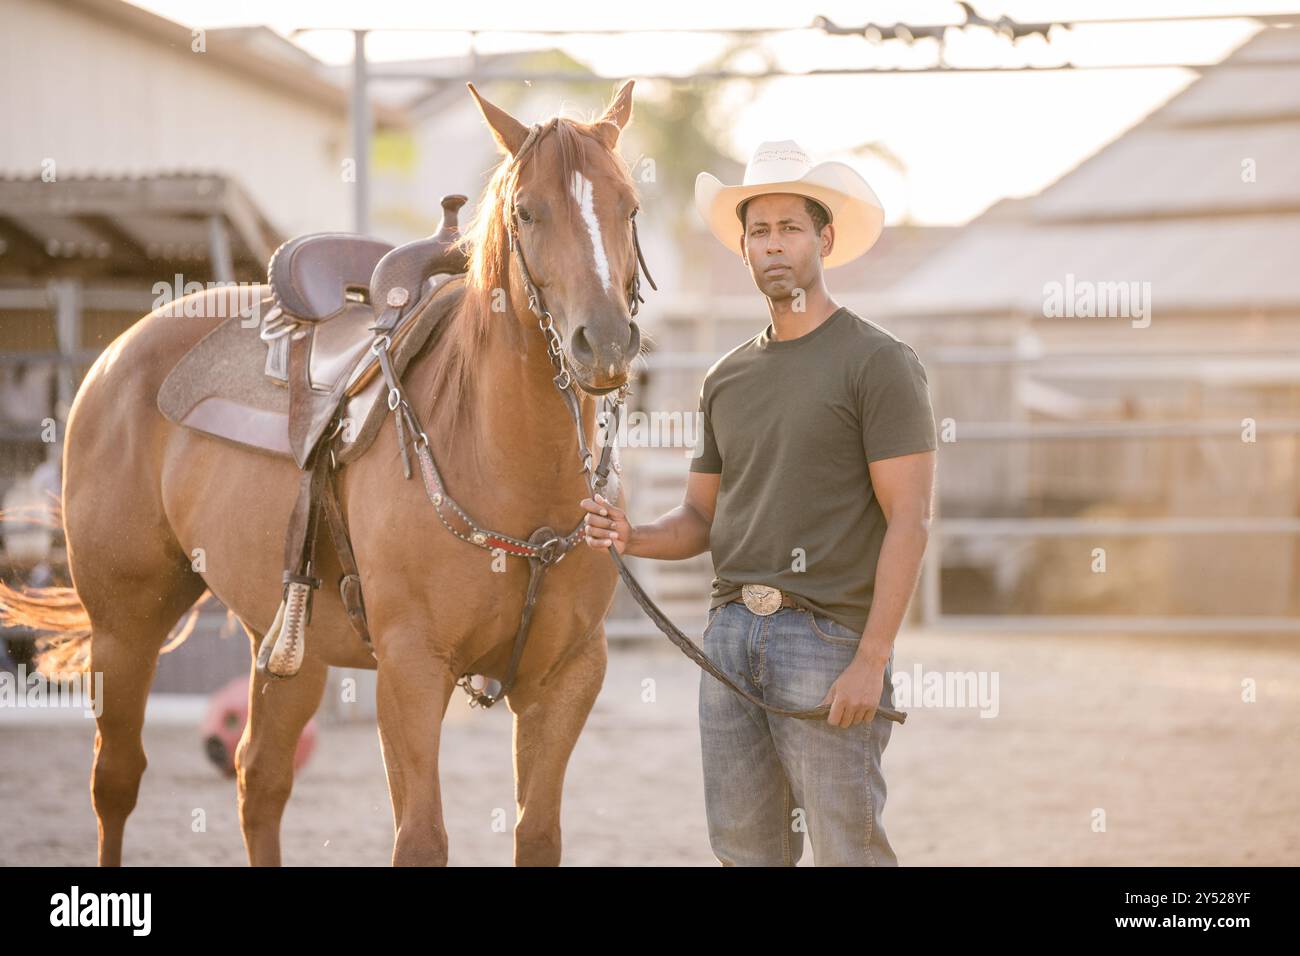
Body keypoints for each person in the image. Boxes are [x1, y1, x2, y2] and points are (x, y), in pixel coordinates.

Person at [581, 140, 937, 866]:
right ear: (743, 247)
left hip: (827, 642)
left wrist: (871, 659)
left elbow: (910, 519)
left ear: (824, 239)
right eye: (758, 231)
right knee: (746, 852)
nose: (773, 245)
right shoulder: (726, 378)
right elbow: (700, 522)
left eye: (790, 228)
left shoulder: (879, 363)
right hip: (731, 640)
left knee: (848, 848)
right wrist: (632, 535)